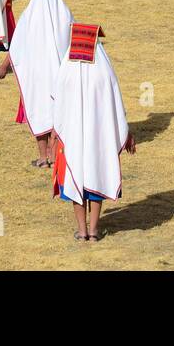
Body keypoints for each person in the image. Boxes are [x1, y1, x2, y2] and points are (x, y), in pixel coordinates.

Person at [53, 22, 134, 242]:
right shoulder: (103, 70)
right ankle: (94, 230)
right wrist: (125, 132)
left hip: (73, 137)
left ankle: (81, 230)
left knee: (76, 176)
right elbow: (116, 104)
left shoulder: (66, 69)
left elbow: (58, 104)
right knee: (96, 174)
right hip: (99, 136)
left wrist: (55, 132)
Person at [9, 0, 73, 168]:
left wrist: (5, 67)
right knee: (57, 113)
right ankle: (55, 155)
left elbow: (16, 46)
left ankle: (43, 157)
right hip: (60, 75)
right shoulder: (65, 14)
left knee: (39, 111)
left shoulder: (30, 15)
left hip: (36, 76)